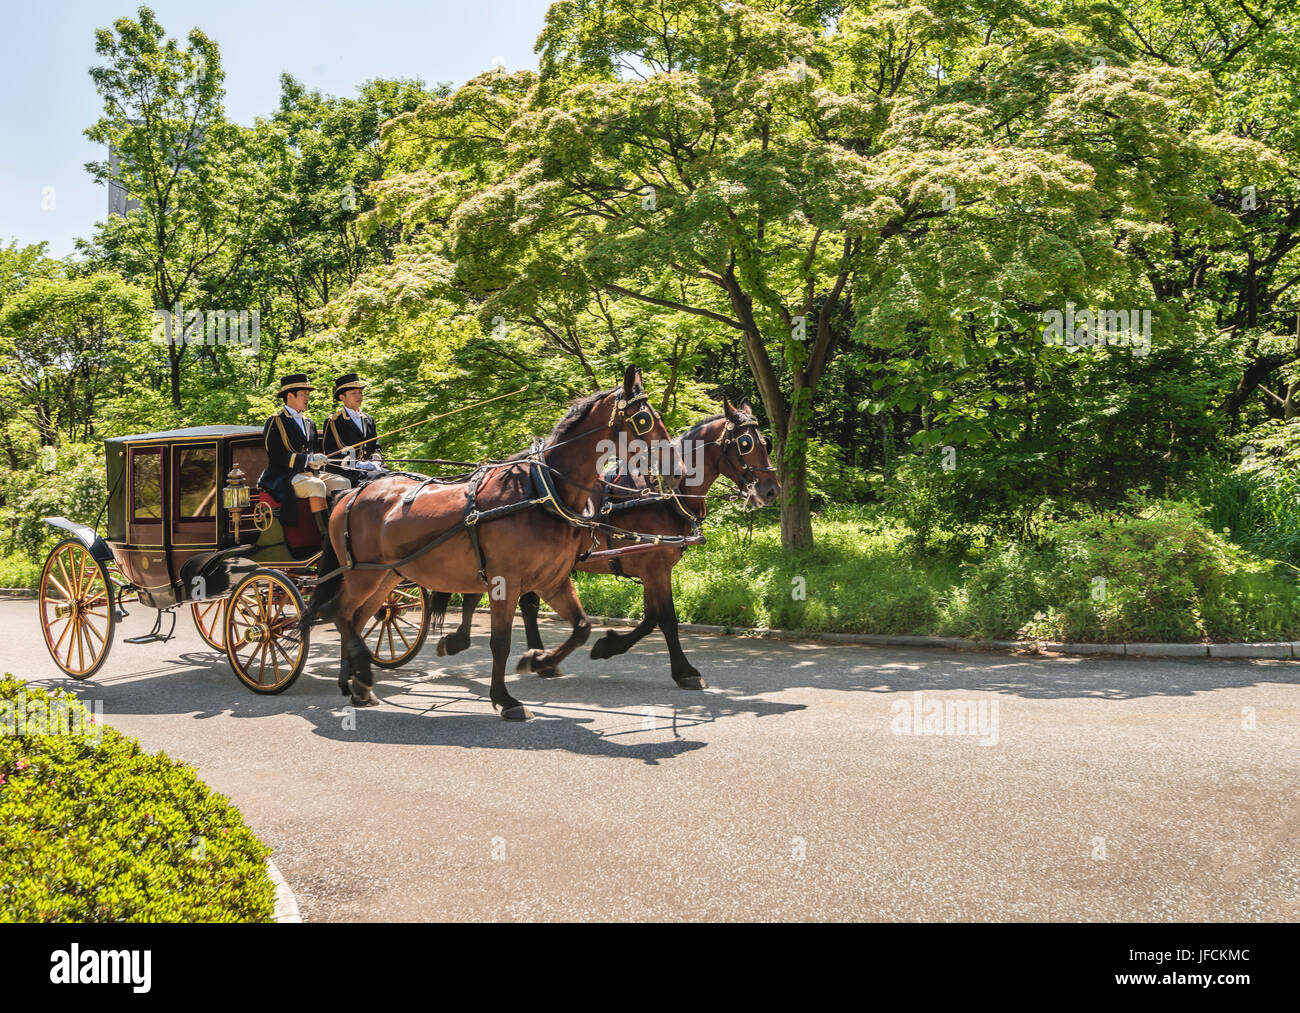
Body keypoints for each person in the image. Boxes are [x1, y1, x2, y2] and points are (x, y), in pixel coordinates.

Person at [258, 373, 350, 539]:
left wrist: (317, 460)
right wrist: (307, 460)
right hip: (284, 475)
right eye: (304, 394)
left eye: (308, 394)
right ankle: (327, 537)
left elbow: (313, 450)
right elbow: (276, 455)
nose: (308, 397)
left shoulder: (309, 422)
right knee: (317, 486)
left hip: (309, 473)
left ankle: (345, 530)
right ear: (290, 396)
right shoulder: (275, 421)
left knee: (343, 482)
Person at [323, 373, 383, 479]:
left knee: (395, 478)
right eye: (353, 393)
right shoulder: (334, 421)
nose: (359, 396)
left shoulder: (368, 419)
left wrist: (375, 459)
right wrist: (356, 464)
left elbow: (375, 446)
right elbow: (330, 451)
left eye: (360, 392)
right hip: (345, 470)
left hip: (370, 469)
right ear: (342, 397)